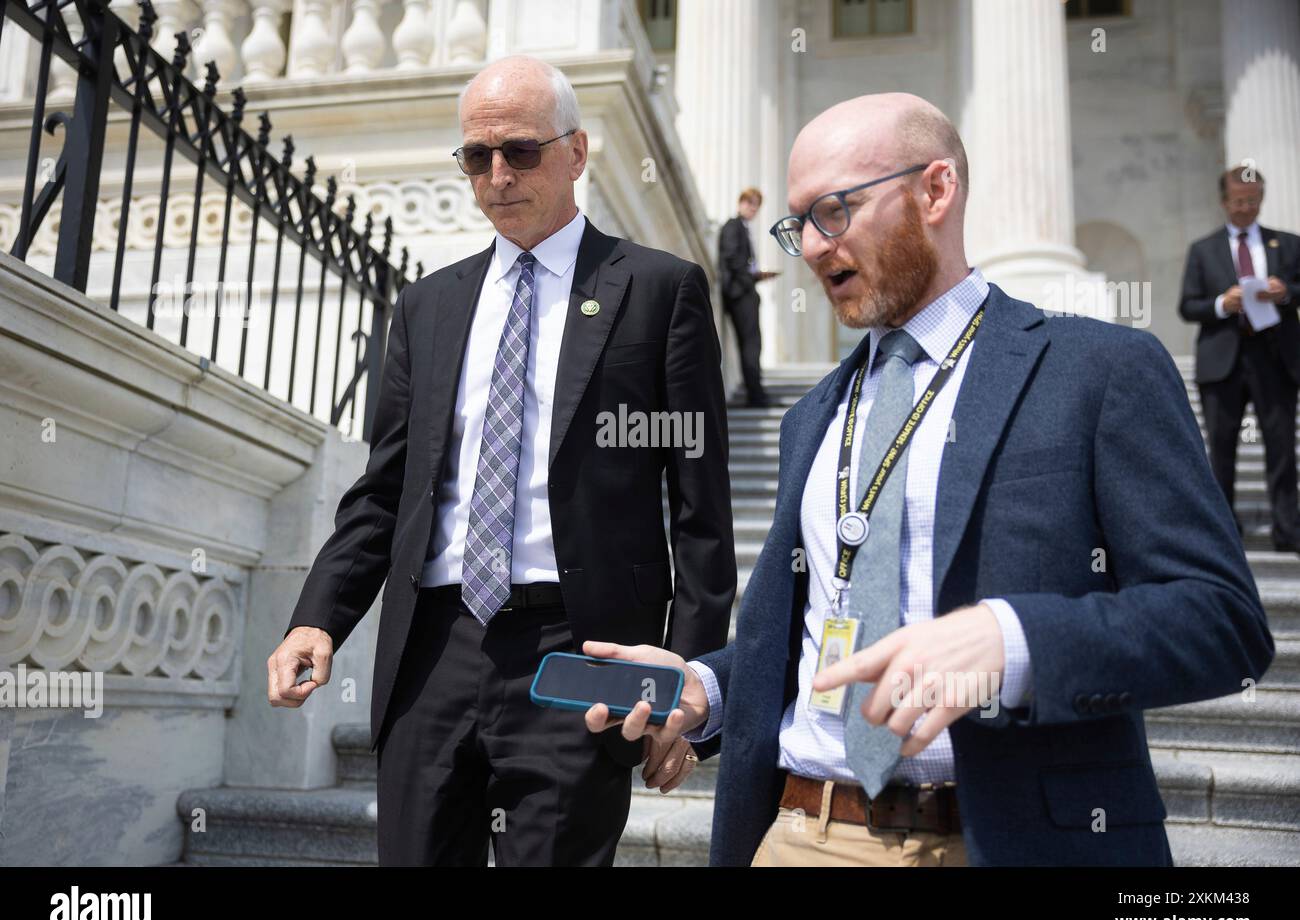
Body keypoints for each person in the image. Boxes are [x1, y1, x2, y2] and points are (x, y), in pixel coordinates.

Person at [582, 92, 1273, 866]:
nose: (810, 247)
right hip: (799, 835)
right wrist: (707, 684)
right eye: (797, 222)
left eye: (835, 210)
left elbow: (1222, 622)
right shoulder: (810, 416)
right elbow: (826, 636)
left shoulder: (1099, 372)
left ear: (936, 190)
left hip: (1006, 843)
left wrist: (1011, 643)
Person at [266, 55, 735, 866]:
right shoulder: (427, 305)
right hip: (432, 650)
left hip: (580, 655)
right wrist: (319, 616)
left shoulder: (658, 292)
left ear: (577, 153)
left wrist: (684, 685)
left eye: (520, 151)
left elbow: (700, 511)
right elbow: (386, 493)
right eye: (475, 157)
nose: (496, 174)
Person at [1178, 166, 1300, 549]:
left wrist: (1285, 293)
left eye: (1252, 200)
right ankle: (1223, 532)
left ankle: (1288, 531)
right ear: (1224, 202)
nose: (1246, 208)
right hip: (1223, 361)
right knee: (1222, 450)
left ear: (1261, 200)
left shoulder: (1289, 244)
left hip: (1275, 358)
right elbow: (1187, 305)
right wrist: (1221, 303)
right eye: (1238, 201)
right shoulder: (1203, 249)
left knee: (1281, 449)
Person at [718, 188, 777, 406]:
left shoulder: (742, 228)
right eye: (750, 204)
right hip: (740, 295)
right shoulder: (733, 226)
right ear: (741, 203)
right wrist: (748, 282)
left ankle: (756, 393)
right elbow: (732, 259)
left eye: (756, 206)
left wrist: (757, 276)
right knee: (752, 344)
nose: (753, 209)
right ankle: (756, 395)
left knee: (752, 344)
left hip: (744, 292)